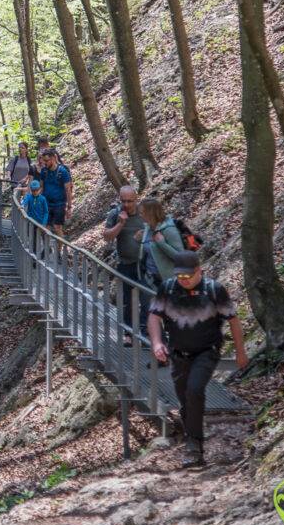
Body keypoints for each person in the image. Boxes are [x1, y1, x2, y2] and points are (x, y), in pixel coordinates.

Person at [148, 251, 248, 468]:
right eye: (180, 277)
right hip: (178, 353)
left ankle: (194, 446)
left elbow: (233, 320)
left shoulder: (214, 290)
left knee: (195, 390)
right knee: (185, 401)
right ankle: (193, 442)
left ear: (198, 271)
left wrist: (240, 352)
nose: (183, 281)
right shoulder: (168, 288)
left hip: (207, 351)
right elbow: (154, 316)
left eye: (188, 277)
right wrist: (157, 342)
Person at [103, 185, 148, 345]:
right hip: (125, 263)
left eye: (130, 201)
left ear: (136, 199)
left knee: (146, 298)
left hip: (144, 263)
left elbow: (157, 230)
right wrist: (120, 224)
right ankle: (128, 333)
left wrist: (145, 236)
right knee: (127, 300)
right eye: (124, 201)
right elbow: (107, 237)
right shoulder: (116, 214)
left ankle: (145, 334)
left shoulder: (144, 212)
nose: (127, 205)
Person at [140, 197, 184, 287]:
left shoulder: (169, 229)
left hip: (170, 281)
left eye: (142, 213)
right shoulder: (147, 228)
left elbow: (182, 258)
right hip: (150, 279)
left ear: (150, 213)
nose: (139, 215)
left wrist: (162, 244)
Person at [37, 149, 73, 237]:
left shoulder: (63, 172)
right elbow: (41, 187)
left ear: (53, 158)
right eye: (43, 161)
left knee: (57, 228)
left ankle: (60, 249)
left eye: (46, 161)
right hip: (46, 203)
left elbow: (68, 190)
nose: (45, 163)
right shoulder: (44, 171)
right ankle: (47, 249)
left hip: (59, 204)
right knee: (45, 227)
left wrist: (69, 207)